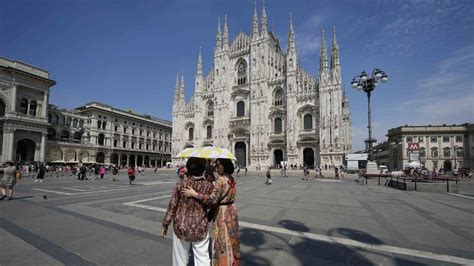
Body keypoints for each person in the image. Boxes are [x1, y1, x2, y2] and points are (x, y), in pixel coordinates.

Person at [182, 158, 241, 266]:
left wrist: (195, 194)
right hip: (232, 210)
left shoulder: (221, 180)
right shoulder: (231, 178)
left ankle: (222, 263)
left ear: (224, 166)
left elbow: (212, 200)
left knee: (221, 239)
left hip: (222, 212)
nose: (216, 167)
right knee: (231, 237)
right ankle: (232, 261)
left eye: (218, 165)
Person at [161, 157, 214, 266]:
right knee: (202, 257)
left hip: (181, 225)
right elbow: (212, 203)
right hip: (200, 226)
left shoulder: (181, 184)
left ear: (188, 169)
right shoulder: (208, 185)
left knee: (180, 258)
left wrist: (165, 224)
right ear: (203, 170)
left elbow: (172, 205)